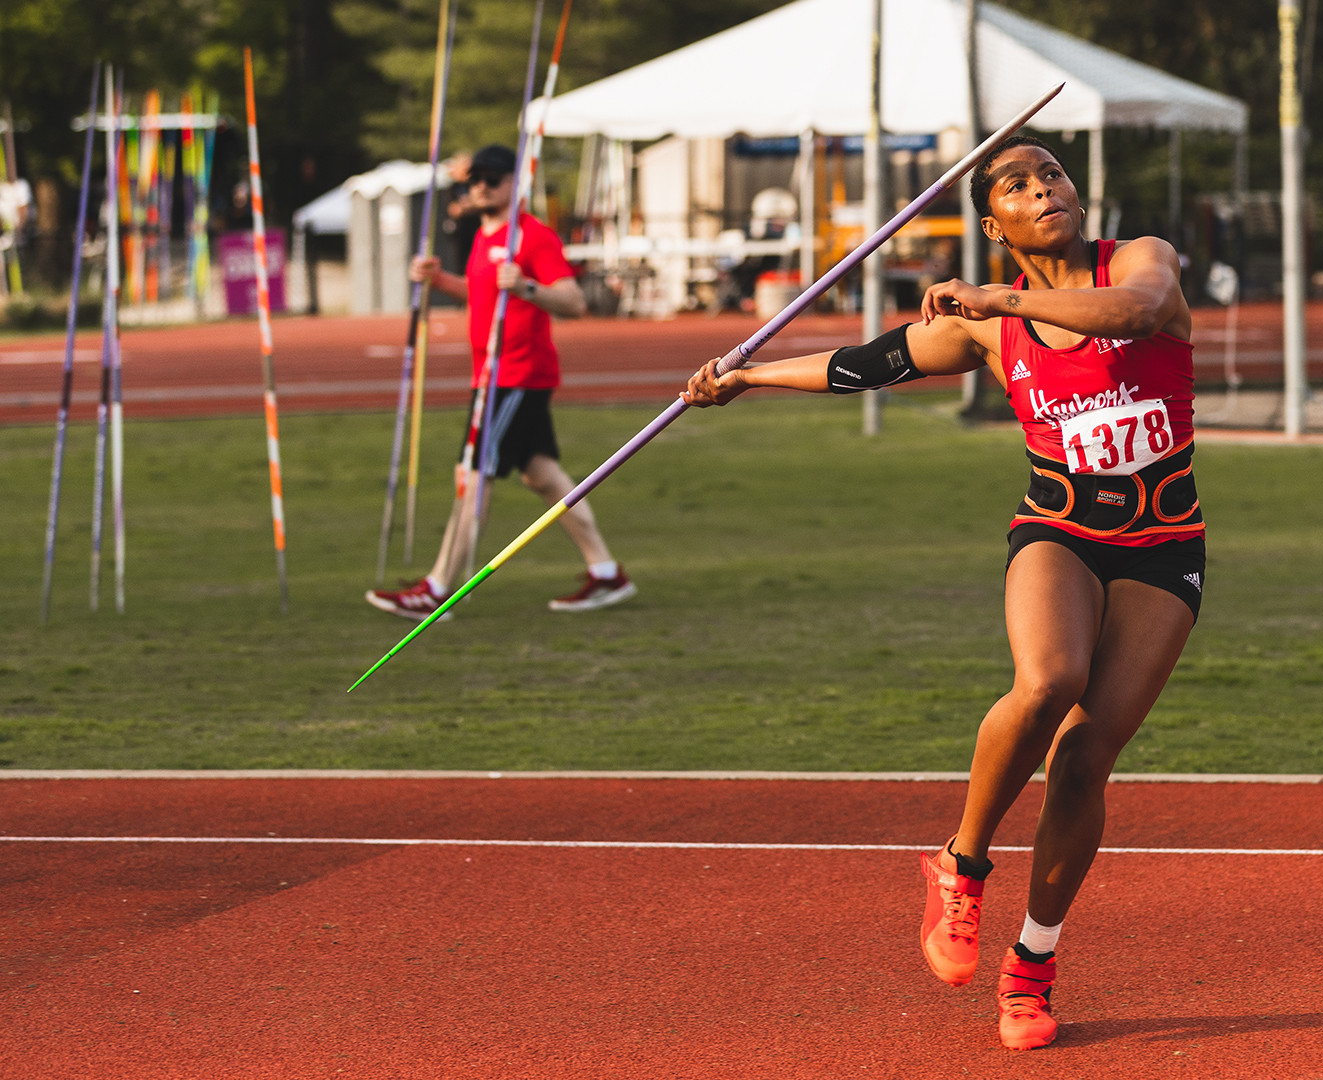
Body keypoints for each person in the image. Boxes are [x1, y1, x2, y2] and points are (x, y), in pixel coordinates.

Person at [681, 135, 1202, 1050]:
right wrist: (748, 378)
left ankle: (1032, 965)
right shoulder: (983, 329)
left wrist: (1002, 295)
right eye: (1018, 184)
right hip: (1062, 529)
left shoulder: (1138, 261)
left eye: (1053, 176)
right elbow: (863, 363)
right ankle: (960, 866)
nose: (1044, 190)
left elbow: (1137, 312)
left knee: (1085, 759)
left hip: (1165, 544)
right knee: (1047, 683)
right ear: (994, 223)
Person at [366, 143, 636, 619]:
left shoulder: (532, 238)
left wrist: (527, 287)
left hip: (515, 377)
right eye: (475, 180)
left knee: (473, 477)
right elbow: (483, 292)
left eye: (492, 178)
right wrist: (437, 280)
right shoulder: (482, 236)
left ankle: (437, 588)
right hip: (490, 374)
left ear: (516, 181)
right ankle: (606, 572)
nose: (482, 187)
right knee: (543, 476)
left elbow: (573, 302)